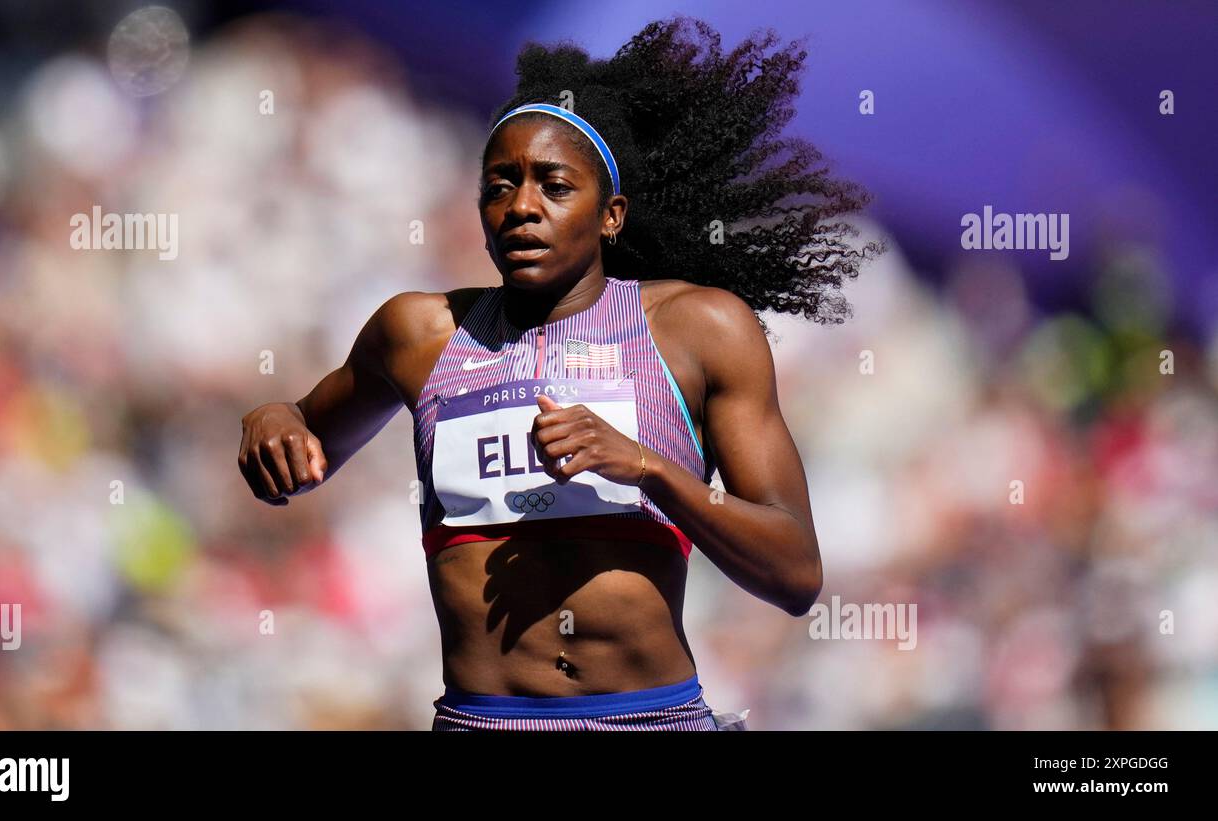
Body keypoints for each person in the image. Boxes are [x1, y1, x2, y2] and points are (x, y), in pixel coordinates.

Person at [237, 16, 883, 731]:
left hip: (650, 719)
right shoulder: (418, 334)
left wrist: (650, 469)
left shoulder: (698, 329)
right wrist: (272, 419)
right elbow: (302, 437)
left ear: (610, 215)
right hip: (482, 721)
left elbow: (795, 573)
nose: (521, 207)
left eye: (553, 185)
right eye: (500, 185)